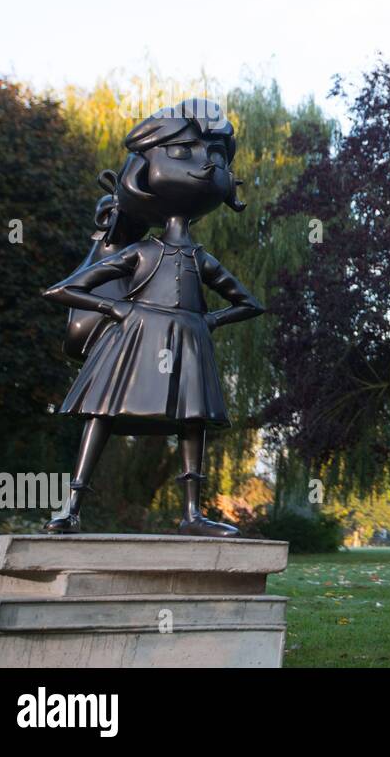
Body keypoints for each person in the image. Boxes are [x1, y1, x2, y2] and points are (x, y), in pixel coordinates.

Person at [42, 98, 264, 537]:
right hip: (136, 337)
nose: (205, 167)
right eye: (184, 153)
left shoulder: (200, 258)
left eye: (216, 159)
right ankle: (71, 508)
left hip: (187, 339)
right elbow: (64, 289)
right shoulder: (141, 252)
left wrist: (210, 322)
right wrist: (115, 307)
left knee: (192, 416)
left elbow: (250, 303)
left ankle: (192, 515)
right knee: (102, 411)